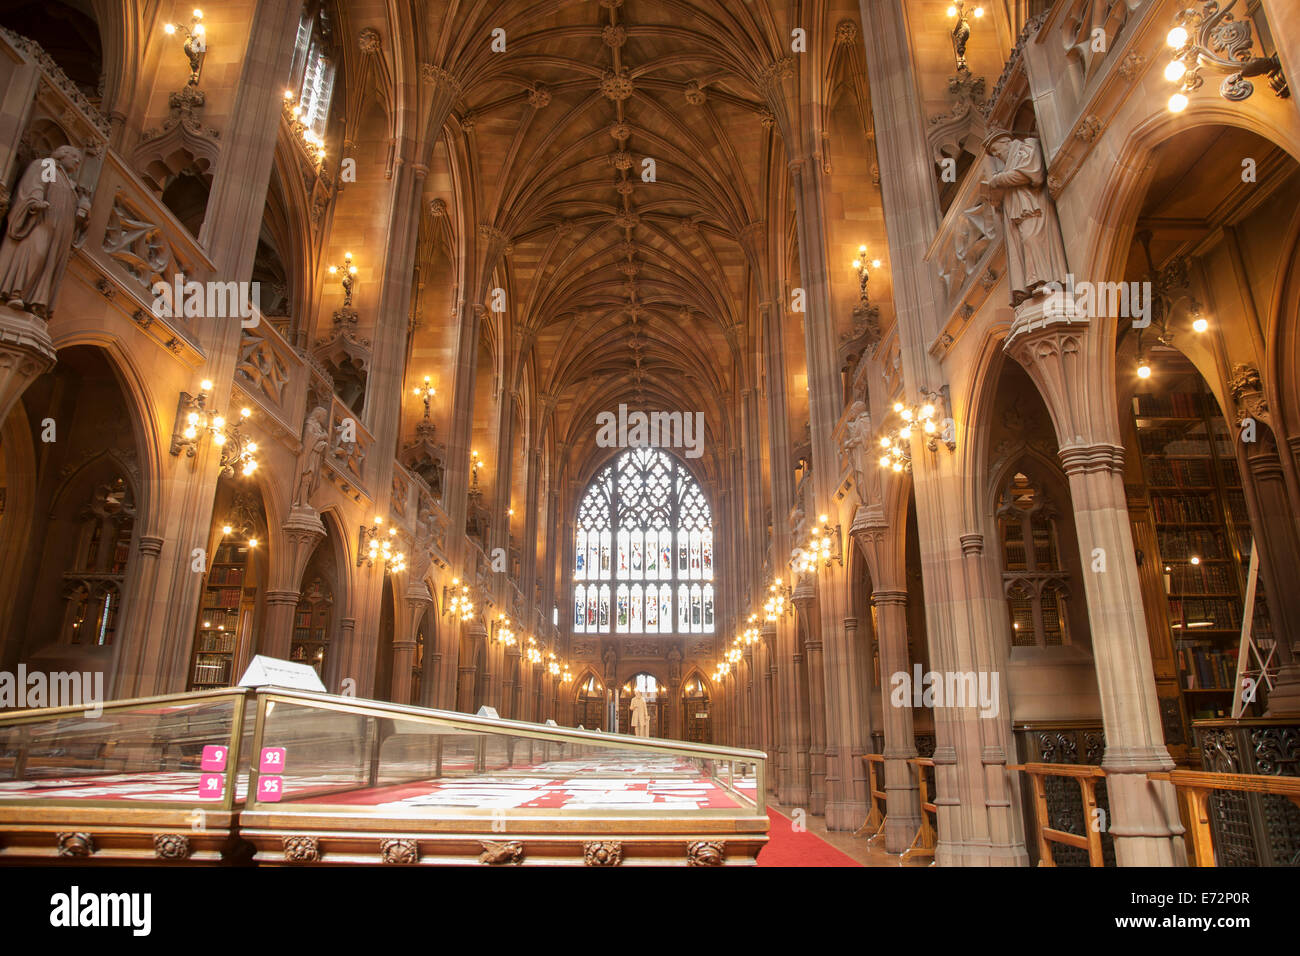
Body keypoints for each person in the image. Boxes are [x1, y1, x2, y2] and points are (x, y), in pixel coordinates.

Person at [981, 129, 1069, 307]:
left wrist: (997, 180)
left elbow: (1033, 174)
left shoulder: (1028, 146)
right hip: (1020, 212)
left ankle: (1046, 280)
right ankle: (1036, 283)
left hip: (1033, 207)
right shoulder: (1009, 164)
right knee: (1026, 244)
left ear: (1006, 142)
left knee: (1032, 239)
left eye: (997, 150)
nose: (997, 155)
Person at [0, 146, 90, 318]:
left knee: (50, 264)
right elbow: (37, 185)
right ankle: (15, 292)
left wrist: (84, 208)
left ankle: (36, 302)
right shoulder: (49, 166)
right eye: (74, 156)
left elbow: (76, 212)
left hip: (61, 231)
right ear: (62, 154)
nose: (77, 161)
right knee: (36, 253)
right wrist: (35, 201)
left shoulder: (70, 184)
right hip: (43, 220)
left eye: (79, 159)